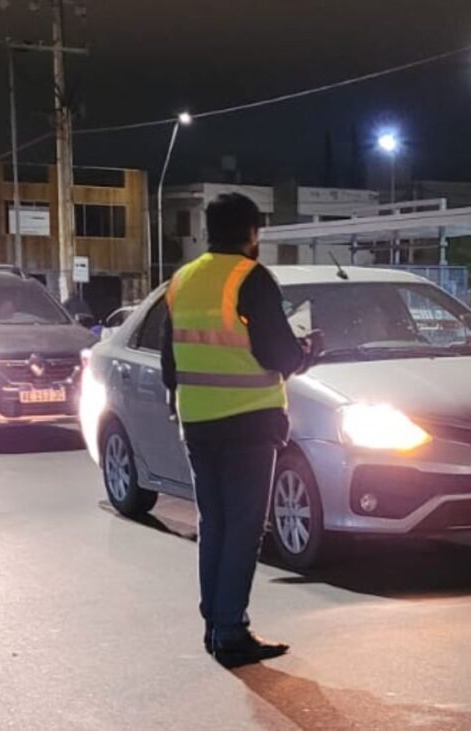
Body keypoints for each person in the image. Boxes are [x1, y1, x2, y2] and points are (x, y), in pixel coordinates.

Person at [160, 192, 321, 668]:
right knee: (245, 528)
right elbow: (280, 355)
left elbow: (171, 361)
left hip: (198, 421)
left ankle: (215, 623)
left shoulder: (182, 280)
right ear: (254, 232)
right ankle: (231, 631)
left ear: (209, 230)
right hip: (248, 420)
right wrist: (307, 350)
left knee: (215, 525)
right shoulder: (251, 278)